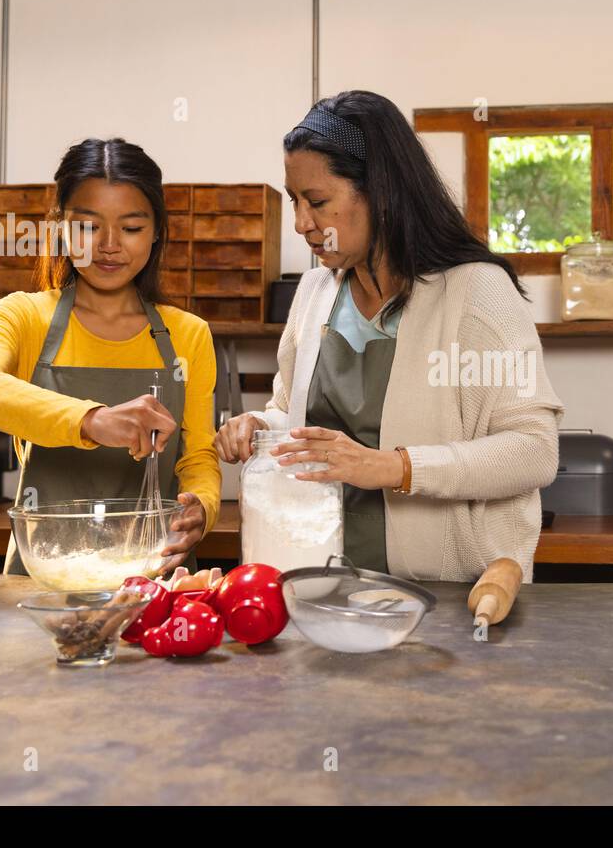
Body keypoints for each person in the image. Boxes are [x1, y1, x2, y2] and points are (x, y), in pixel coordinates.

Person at [216, 90, 564, 582]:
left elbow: (534, 451)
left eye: (317, 202)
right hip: (323, 584)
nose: (301, 224)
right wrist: (258, 426)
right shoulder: (316, 293)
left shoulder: (477, 293)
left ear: (381, 193)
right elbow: (292, 417)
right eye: (295, 200)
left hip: (447, 597)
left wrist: (394, 468)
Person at [0, 138, 219, 576]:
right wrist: (93, 420)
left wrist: (202, 509)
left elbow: (198, 456)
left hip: (155, 573)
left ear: (157, 231)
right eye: (88, 227)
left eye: (131, 228)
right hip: (44, 574)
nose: (110, 245)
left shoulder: (188, 334)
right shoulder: (24, 315)